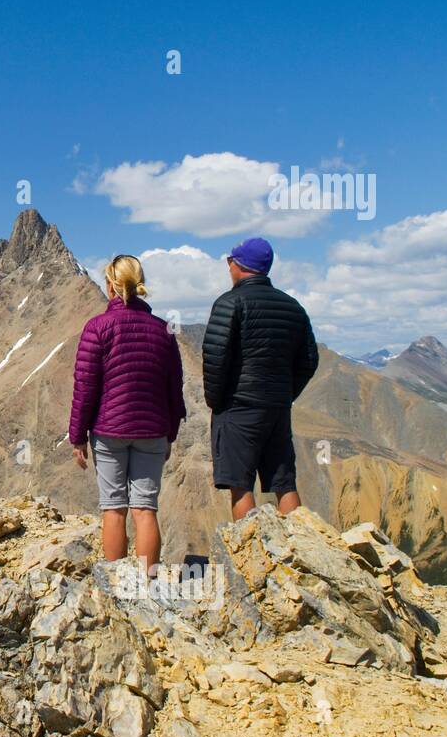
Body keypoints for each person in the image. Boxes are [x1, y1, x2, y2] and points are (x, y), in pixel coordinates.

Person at [69, 254, 185, 571]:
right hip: (152, 431)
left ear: (110, 285)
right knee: (145, 509)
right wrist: (170, 433)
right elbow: (175, 386)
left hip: (108, 431)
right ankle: (147, 585)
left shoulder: (97, 327)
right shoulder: (164, 331)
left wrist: (77, 436)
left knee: (113, 508)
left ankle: (118, 590)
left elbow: (85, 386)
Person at [202, 237, 318, 520]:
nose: (228, 267)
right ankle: (303, 548)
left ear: (239, 265)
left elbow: (215, 356)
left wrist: (217, 401)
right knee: (284, 480)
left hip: (238, 407)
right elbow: (309, 359)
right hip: (277, 408)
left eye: (230, 261)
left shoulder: (230, 302)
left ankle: (248, 558)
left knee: (240, 484)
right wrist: (286, 392)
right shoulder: (293, 307)